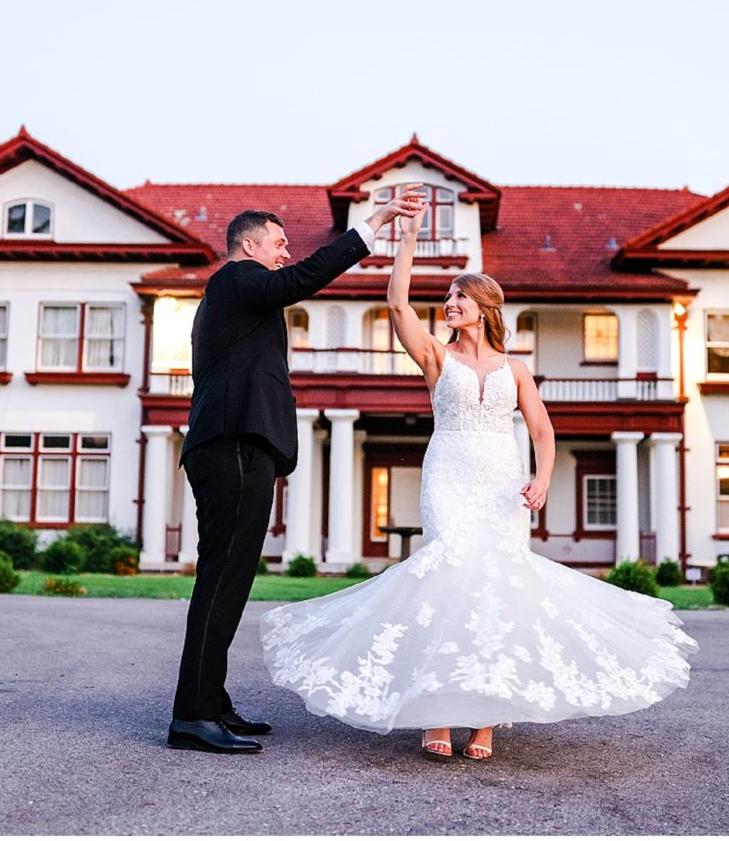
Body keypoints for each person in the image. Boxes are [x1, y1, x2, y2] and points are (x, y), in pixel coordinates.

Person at [260, 199, 696, 760]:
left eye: (459, 297)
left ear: (485, 307)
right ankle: (438, 709)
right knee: (446, 582)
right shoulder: (436, 358)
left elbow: (542, 430)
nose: (449, 304)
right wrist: (408, 238)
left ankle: (486, 716)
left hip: (501, 483)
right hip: (448, 475)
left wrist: (540, 481)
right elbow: (396, 305)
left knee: (496, 593)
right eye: (447, 298)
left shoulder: (516, 370)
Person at [168, 186, 426, 755]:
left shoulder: (240, 298)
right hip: (232, 444)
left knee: (230, 580)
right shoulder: (235, 278)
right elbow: (296, 282)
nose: (285, 253)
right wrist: (374, 222)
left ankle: (211, 703)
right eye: (278, 244)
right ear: (247, 245)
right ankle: (191, 715)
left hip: (237, 445)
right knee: (221, 580)